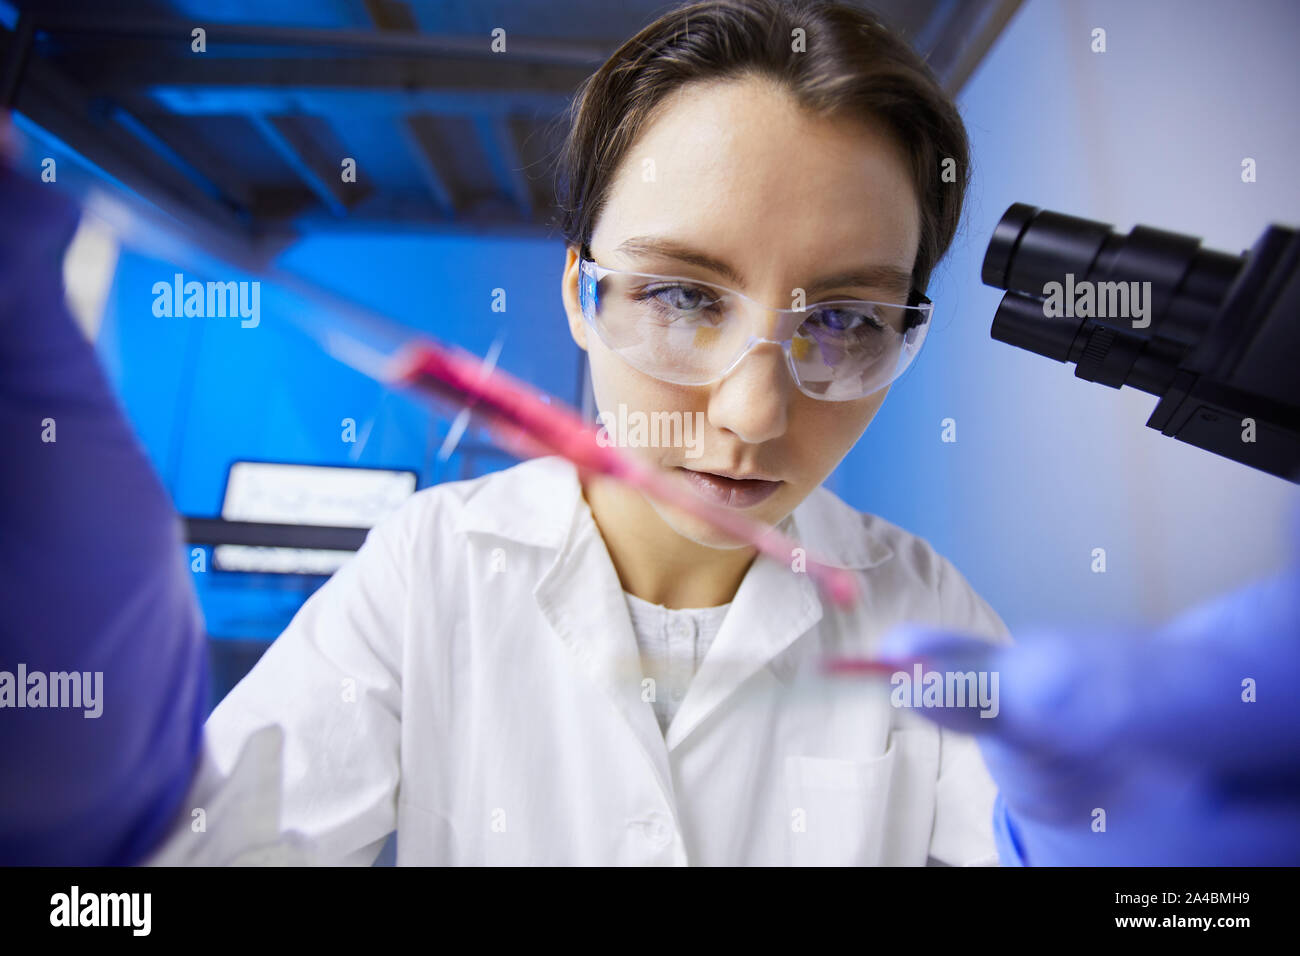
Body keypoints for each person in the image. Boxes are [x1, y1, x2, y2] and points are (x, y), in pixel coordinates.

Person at [141, 0, 1009, 865]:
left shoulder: (922, 612)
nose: (755, 413)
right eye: (683, 297)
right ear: (579, 296)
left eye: (849, 319)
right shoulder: (436, 567)